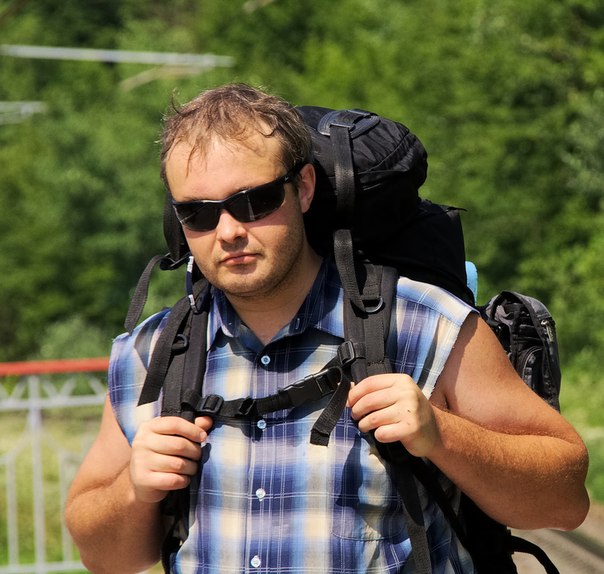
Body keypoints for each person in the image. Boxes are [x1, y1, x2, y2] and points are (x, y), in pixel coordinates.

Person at [64, 83, 589, 574]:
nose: (228, 231)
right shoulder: (153, 354)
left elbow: (565, 502)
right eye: (198, 214)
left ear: (304, 188)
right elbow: (103, 558)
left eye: (253, 202)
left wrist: (442, 434)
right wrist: (135, 491)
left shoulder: (421, 324)